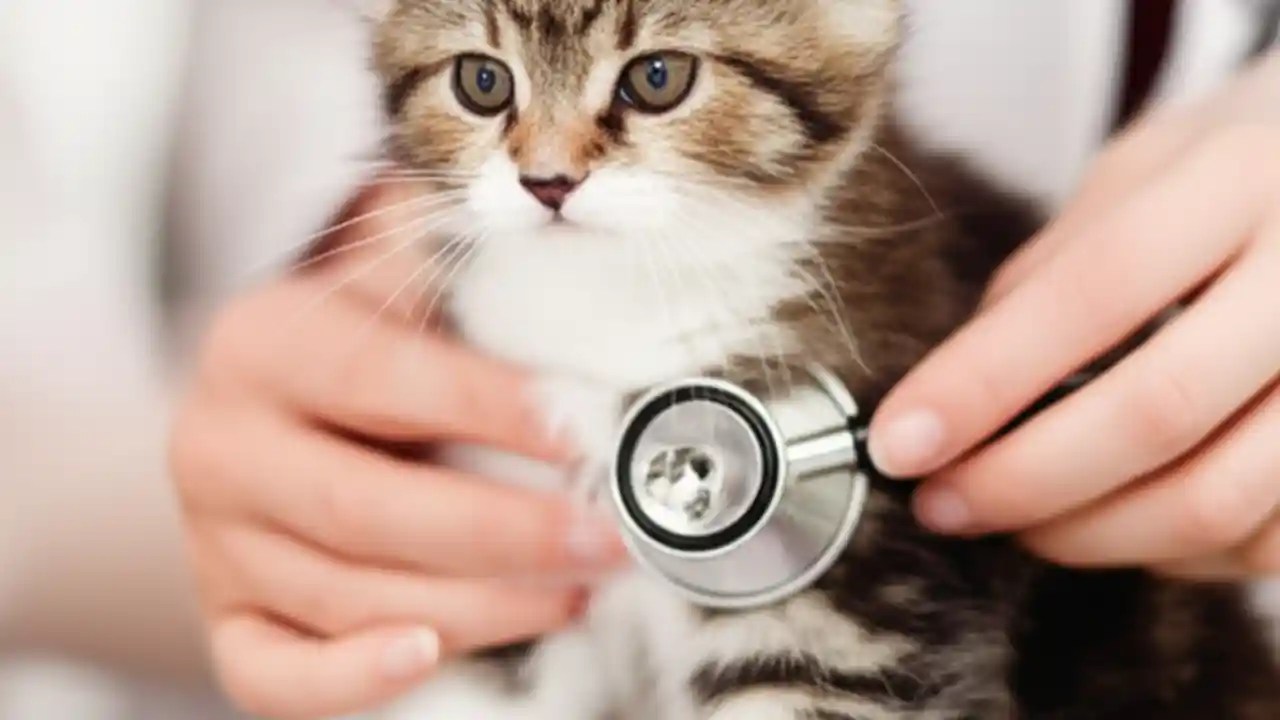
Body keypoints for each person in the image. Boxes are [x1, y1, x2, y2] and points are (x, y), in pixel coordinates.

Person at [163, 1, 1280, 718]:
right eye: (486, 86)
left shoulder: (856, 318)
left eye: (653, 82)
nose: (549, 162)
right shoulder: (458, 298)